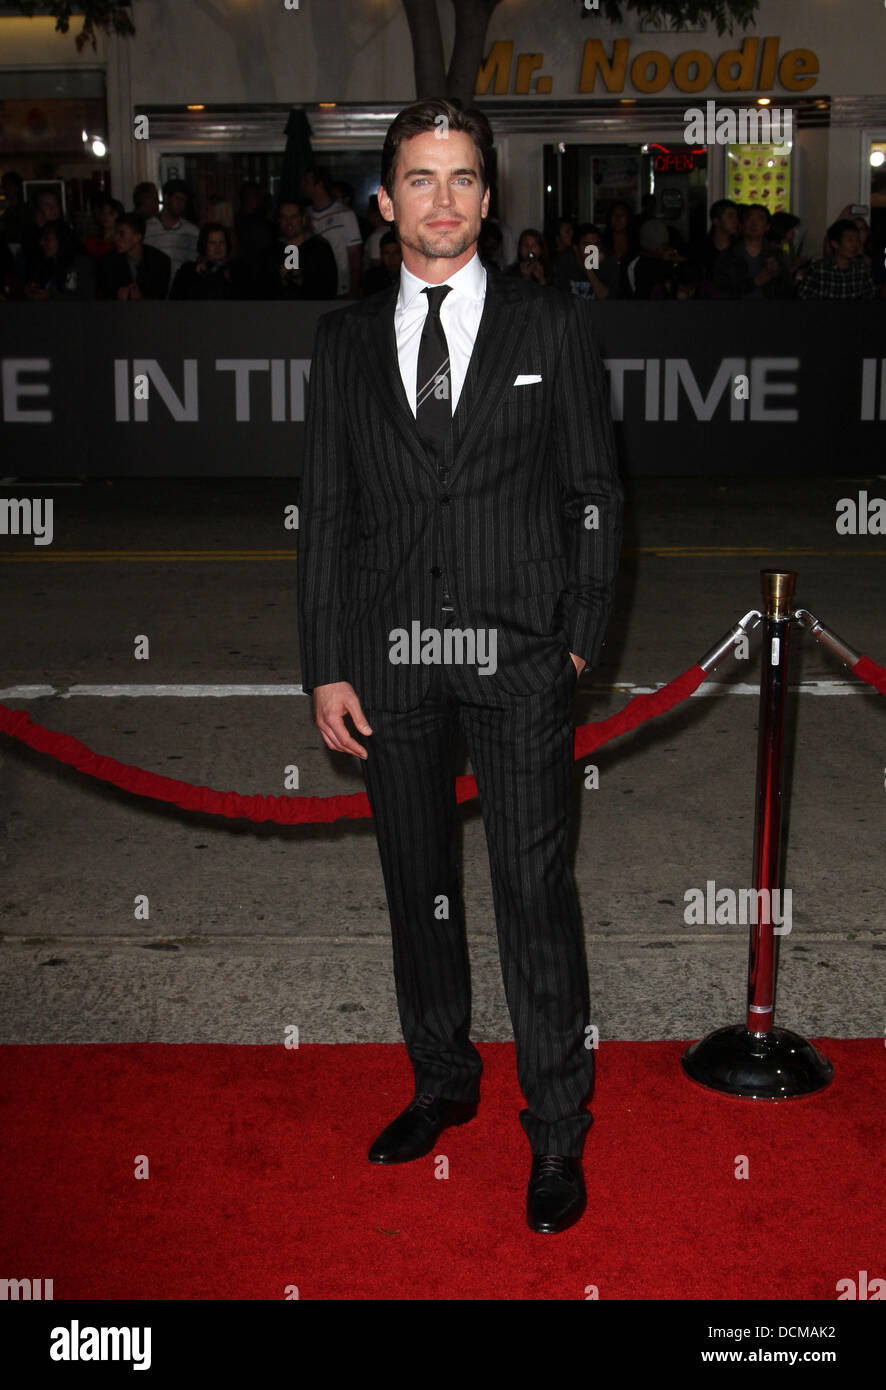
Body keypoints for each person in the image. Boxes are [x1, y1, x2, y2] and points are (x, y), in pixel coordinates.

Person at [297, 97, 623, 1236]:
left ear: (491, 195)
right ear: (387, 201)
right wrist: (327, 663)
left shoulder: (549, 325)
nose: (442, 200)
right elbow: (327, 513)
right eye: (420, 180)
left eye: (463, 179)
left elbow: (594, 491)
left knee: (534, 894)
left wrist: (577, 633)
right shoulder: (340, 344)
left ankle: (556, 1129)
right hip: (390, 660)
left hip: (518, 653)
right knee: (417, 884)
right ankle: (441, 1079)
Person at [300, 165, 363, 299]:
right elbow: (292, 246)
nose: (302, 185)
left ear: (319, 183)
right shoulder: (304, 215)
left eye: (306, 181)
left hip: (339, 287)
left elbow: (354, 253)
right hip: (310, 287)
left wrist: (354, 287)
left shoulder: (345, 214)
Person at [258, 200, 337, 300]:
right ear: (279, 220)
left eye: (293, 217)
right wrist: (280, 280)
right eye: (284, 217)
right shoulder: (270, 252)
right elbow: (260, 291)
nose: (288, 222)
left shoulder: (319, 249)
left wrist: (303, 281)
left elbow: (329, 288)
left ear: (303, 219)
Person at [714, 203, 794, 300]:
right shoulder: (728, 255)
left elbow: (788, 292)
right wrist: (754, 282)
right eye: (749, 218)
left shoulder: (778, 255)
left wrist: (776, 274)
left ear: (767, 227)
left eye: (760, 219)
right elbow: (722, 291)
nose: (753, 223)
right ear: (742, 224)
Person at [97, 212, 171, 300]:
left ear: (137, 237)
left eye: (121, 234)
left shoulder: (159, 262)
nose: (116, 238)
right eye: (116, 233)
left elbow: (159, 299)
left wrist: (142, 299)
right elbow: (107, 296)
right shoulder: (107, 262)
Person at [798, 219, 877, 300]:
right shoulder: (819, 269)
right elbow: (803, 299)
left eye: (857, 241)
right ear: (835, 244)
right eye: (850, 240)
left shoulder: (862, 270)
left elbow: (871, 299)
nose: (854, 245)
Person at [143, 178, 199, 292]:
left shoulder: (192, 231)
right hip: (152, 292)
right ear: (166, 198)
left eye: (184, 201)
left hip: (181, 293)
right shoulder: (146, 228)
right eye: (178, 199)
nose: (181, 204)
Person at [170, 222, 249, 299]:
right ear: (204, 245)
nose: (218, 247)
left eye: (221, 242)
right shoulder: (188, 270)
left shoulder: (238, 269)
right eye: (212, 243)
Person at [22, 220, 95, 301]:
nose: (41, 243)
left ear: (61, 240)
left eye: (47, 239)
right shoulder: (45, 264)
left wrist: (51, 297)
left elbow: (85, 298)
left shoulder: (80, 264)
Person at [233, 180, 274, 289]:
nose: (261, 201)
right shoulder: (237, 222)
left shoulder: (263, 221)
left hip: (260, 274)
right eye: (259, 197)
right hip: (246, 273)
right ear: (249, 198)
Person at [689, 199, 738, 285]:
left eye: (736, 217)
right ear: (716, 221)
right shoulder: (701, 249)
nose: (735, 221)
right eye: (730, 217)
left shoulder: (739, 248)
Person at [565, 223, 620, 299]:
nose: (592, 249)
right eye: (587, 245)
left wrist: (589, 270)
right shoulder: (566, 262)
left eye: (596, 244)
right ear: (575, 247)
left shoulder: (608, 263)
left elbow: (606, 300)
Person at [84, 196, 124, 261]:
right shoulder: (91, 241)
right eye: (103, 212)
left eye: (111, 213)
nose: (106, 216)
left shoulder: (121, 243)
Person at [362, 228, 401, 295]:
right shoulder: (372, 278)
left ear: (402, 254)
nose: (391, 258)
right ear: (381, 255)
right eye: (387, 253)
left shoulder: (410, 277)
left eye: (396, 253)